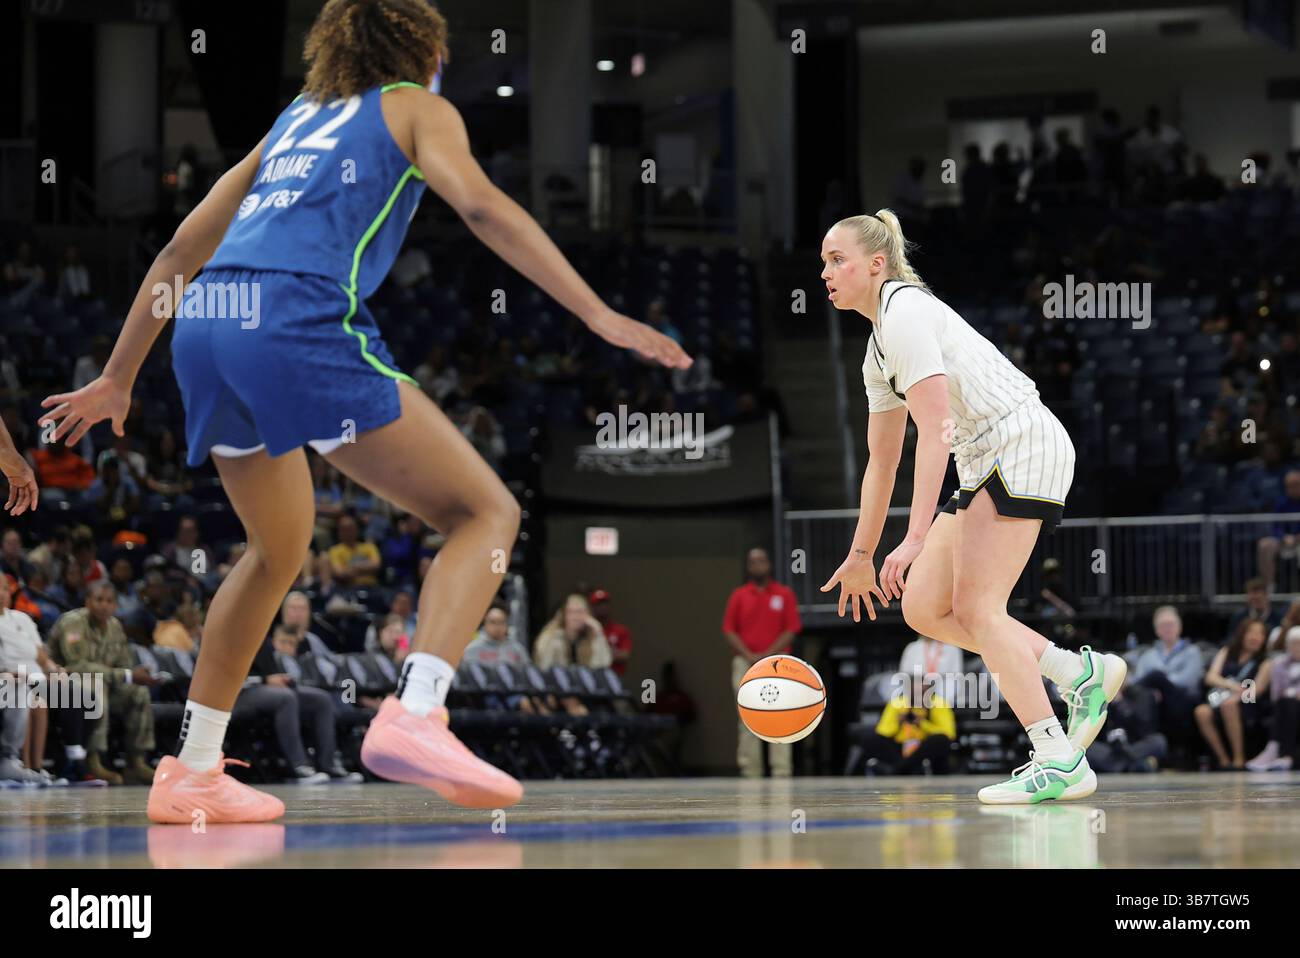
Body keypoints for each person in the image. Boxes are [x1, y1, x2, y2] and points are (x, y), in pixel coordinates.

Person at [38, 0, 687, 824]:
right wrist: (598, 313)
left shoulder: (294, 118)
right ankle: (417, 711)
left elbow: (179, 251)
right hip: (292, 318)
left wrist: (120, 376)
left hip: (206, 320)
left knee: (276, 548)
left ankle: (193, 770)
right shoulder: (418, 106)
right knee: (484, 512)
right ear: (425, 48)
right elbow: (482, 206)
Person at [818, 208, 1125, 805]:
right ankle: (1074, 672)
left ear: (876, 265)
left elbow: (935, 430)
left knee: (981, 608)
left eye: (837, 260)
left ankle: (1058, 758)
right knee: (925, 609)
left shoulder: (905, 311)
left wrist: (911, 538)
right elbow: (882, 464)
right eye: (824, 263)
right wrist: (862, 553)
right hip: (982, 458)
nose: (826, 273)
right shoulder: (876, 350)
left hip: (1018, 441)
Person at [46, 581, 163, 785]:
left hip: (106, 683)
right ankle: (93, 759)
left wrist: (137, 675)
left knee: (138, 692)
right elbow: (77, 665)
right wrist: (125, 675)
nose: (104, 605)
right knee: (96, 686)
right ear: (87, 602)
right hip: (64, 686)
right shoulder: (73, 622)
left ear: (115, 605)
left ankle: (135, 761)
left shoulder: (115, 626)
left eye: (109, 601)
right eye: (98, 600)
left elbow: (124, 664)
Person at [722, 548, 801, 778]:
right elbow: (728, 630)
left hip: (778, 663)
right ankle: (750, 770)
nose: (757, 566)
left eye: (761, 561)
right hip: (744, 664)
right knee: (748, 715)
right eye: (752, 562)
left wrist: (767, 654)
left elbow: (792, 629)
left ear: (770, 564)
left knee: (782, 714)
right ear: (748, 567)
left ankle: (782, 770)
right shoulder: (739, 595)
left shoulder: (784, 594)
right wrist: (749, 655)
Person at [1194, 619, 1273, 769]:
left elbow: (1257, 690)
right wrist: (1231, 685)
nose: (1255, 637)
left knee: (1229, 705)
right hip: (1224, 696)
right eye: (1252, 632)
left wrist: (1237, 696)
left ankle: (1238, 759)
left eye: (1260, 634)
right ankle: (1223, 759)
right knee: (1201, 712)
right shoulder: (1227, 651)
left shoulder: (1265, 662)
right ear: (1243, 634)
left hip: (1249, 703)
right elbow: (1211, 677)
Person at [1132, 605, 1204, 750]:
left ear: (1180, 627)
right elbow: (1137, 683)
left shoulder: (1192, 652)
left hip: (1183, 700)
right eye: (1163, 625)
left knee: (1156, 676)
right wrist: (1153, 692)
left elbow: (1188, 681)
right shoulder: (1147, 655)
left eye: (1171, 624)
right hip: (1155, 704)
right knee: (1145, 693)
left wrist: (1162, 683)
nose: (1167, 628)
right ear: (1157, 630)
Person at [861, 676, 955, 775]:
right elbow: (882, 731)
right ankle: (904, 767)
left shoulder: (939, 703)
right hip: (899, 746)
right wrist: (898, 722)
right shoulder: (897, 703)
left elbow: (949, 734)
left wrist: (922, 724)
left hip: (923, 748)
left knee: (941, 740)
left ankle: (897, 769)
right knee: (871, 738)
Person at [1247, 625, 1300, 771]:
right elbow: (1275, 693)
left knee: (1288, 703)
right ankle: (1278, 751)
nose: (1297, 648)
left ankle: (1277, 749)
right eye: (1294, 644)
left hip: (1291, 704)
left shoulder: (1268, 661)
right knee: (1285, 703)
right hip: (1282, 705)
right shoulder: (1278, 663)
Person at [588, 589, 632, 676]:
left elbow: (624, 655)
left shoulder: (620, 630)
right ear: (592, 608)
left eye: (605, 603)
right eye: (598, 604)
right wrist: (611, 652)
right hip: (592, 677)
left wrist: (599, 653)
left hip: (614, 677)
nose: (602, 607)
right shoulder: (587, 630)